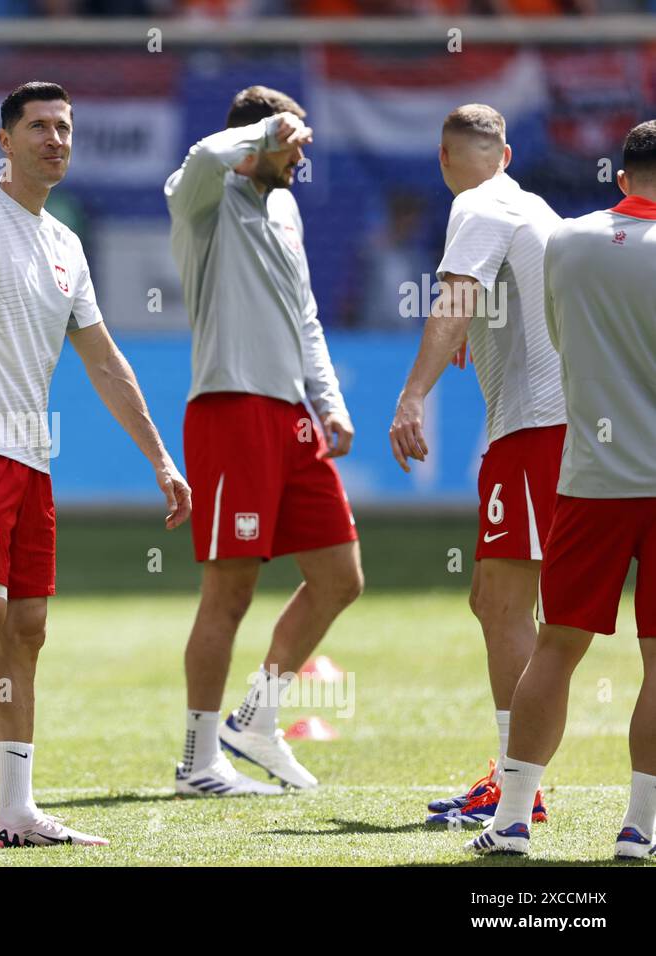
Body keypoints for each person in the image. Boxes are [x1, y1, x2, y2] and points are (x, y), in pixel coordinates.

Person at [0, 81, 191, 850]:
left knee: (27, 628)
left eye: (65, 128)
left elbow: (104, 361)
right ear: (5, 140)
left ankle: (15, 811)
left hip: (31, 458)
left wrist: (160, 458)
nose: (56, 140)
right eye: (40, 126)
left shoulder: (65, 243)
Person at [164, 86, 362, 798]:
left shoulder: (285, 208)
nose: (301, 158)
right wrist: (266, 132)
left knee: (340, 576)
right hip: (230, 407)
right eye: (293, 144)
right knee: (230, 591)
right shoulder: (204, 198)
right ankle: (197, 763)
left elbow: (304, 313)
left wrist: (328, 400)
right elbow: (200, 158)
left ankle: (256, 719)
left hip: (291, 415)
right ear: (262, 140)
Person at [470, 120, 656, 858]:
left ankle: (513, 818)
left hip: (592, 479)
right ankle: (640, 829)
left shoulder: (569, 241)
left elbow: (559, 339)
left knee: (556, 646)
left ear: (622, 177)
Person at [390, 104, 563, 827]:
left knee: (507, 604)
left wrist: (412, 395)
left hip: (532, 428)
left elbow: (455, 297)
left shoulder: (476, 204)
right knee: (496, 598)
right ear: (507, 153)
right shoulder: (532, 206)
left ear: (442, 157)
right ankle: (512, 777)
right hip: (556, 426)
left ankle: (517, 791)